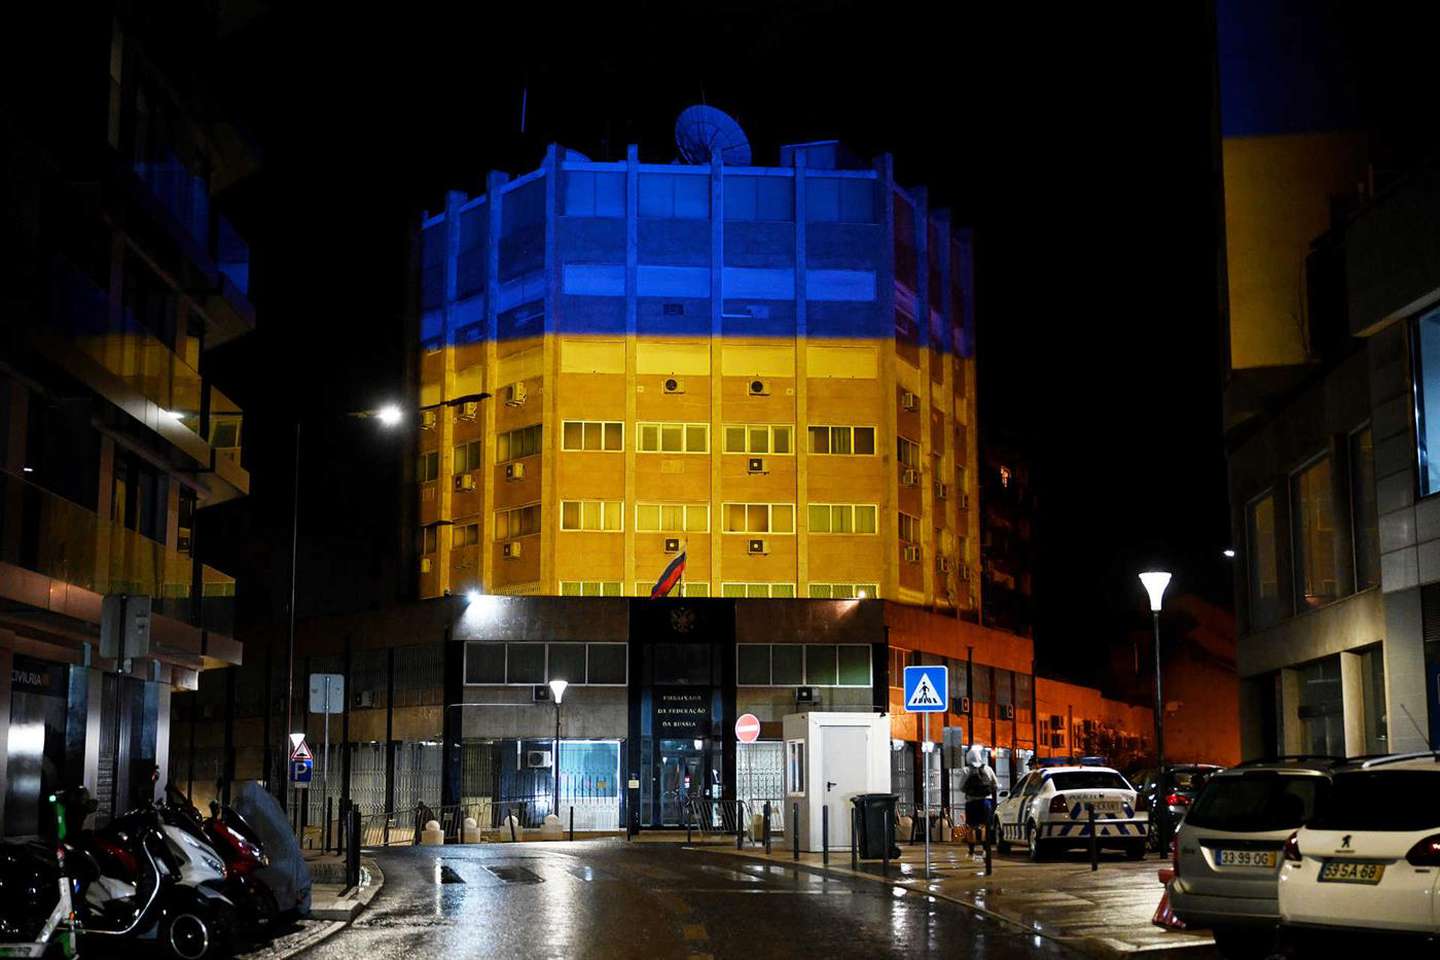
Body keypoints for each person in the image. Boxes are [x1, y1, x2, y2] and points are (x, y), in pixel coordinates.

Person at [959, 747, 998, 855]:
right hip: (986, 801)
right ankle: (985, 849)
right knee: (985, 825)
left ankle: (971, 851)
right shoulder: (988, 769)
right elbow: (995, 784)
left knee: (971, 827)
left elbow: (961, 787)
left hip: (971, 802)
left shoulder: (966, 770)